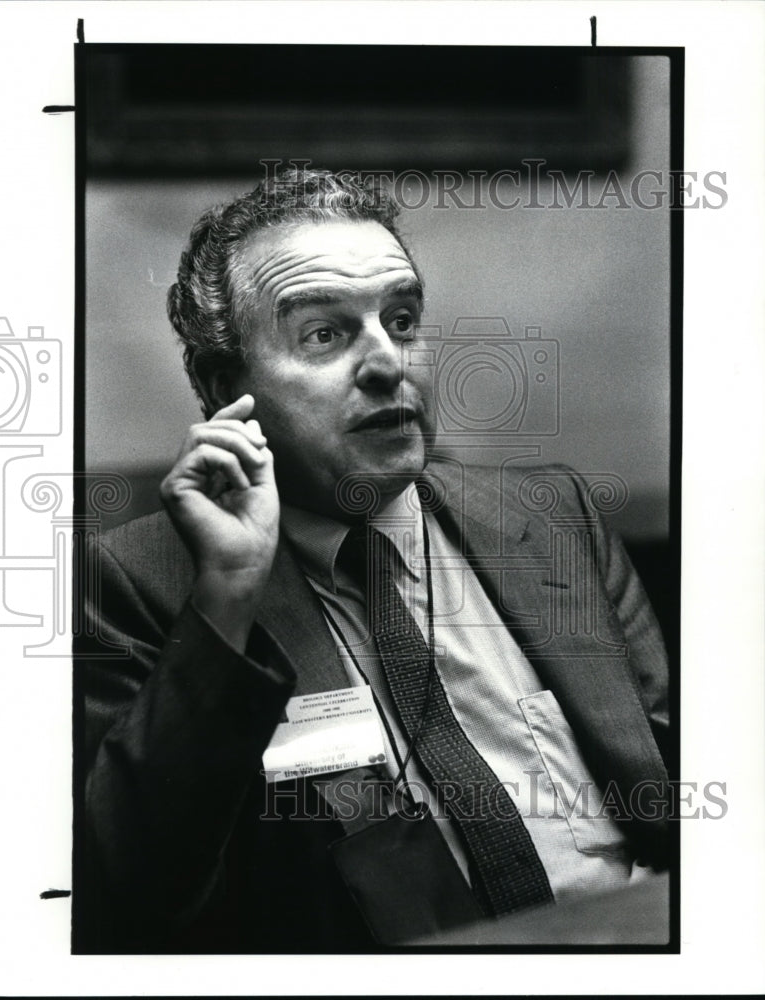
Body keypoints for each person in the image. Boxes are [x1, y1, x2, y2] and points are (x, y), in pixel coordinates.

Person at [78, 168, 671, 954]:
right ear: (227, 387)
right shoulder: (138, 580)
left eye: (401, 318)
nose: (388, 362)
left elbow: (668, 776)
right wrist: (228, 595)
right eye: (323, 334)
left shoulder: (549, 516)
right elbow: (132, 893)